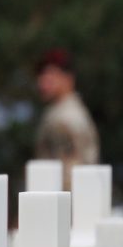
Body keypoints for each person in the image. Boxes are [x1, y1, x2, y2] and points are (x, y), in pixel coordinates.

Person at [31, 49, 98, 186]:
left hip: (62, 200)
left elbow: (70, 173)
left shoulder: (65, 118)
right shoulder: (60, 111)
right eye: (42, 75)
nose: (43, 81)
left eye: (51, 74)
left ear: (68, 78)